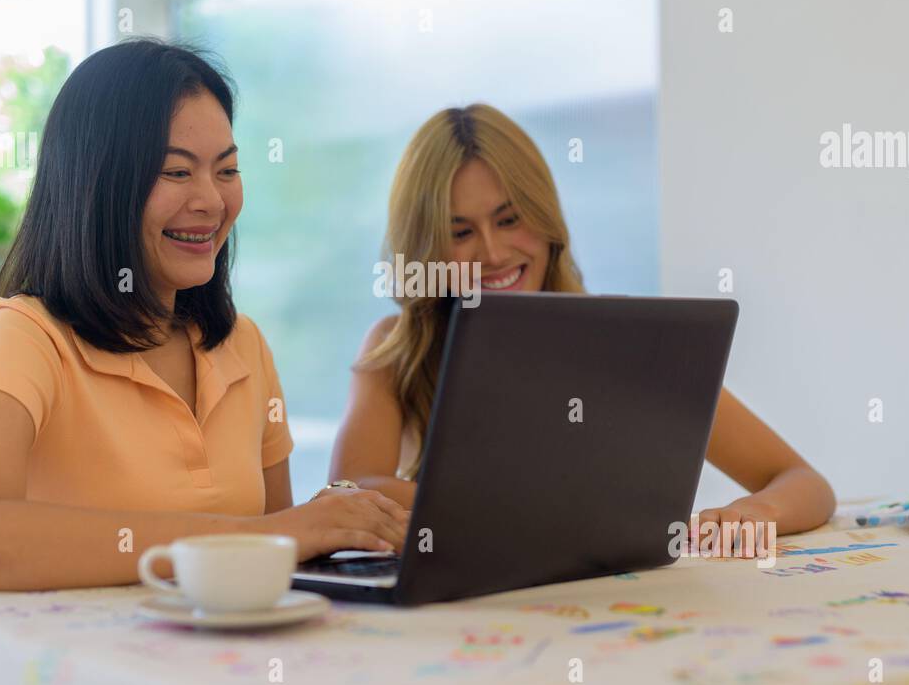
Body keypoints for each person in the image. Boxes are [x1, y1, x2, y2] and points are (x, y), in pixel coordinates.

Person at [0, 39, 407, 590]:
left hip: (223, 666)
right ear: (100, 182)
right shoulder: (20, 336)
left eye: (226, 170)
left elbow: (275, 562)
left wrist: (330, 526)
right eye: (177, 172)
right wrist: (264, 536)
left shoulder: (243, 346)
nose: (212, 201)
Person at [329, 103, 834, 552]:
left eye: (510, 220)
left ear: (546, 220)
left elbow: (805, 483)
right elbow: (348, 487)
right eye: (461, 232)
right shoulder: (399, 348)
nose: (493, 252)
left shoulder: (622, 344)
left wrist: (756, 513)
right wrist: (525, 514)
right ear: (427, 246)